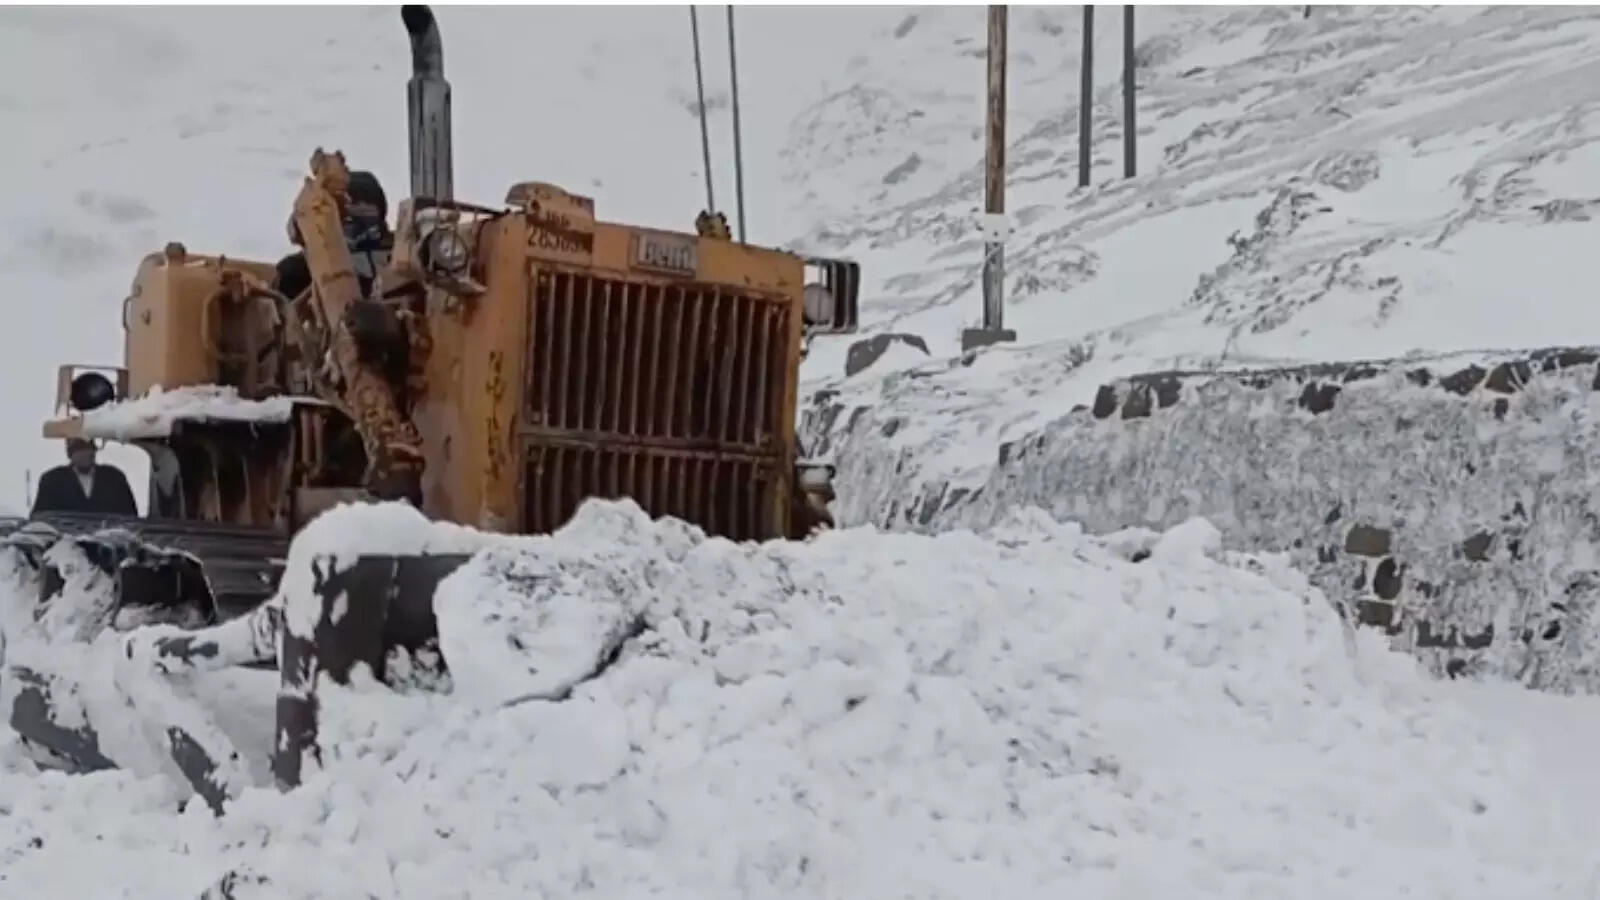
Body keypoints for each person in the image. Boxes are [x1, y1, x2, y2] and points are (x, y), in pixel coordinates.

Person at [31, 437, 139, 517]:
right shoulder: (52, 480)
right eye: (80, 450)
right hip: (65, 543)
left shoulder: (114, 477)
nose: (85, 454)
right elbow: (40, 519)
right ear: (70, 454)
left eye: (89, 449)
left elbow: (131, 517)